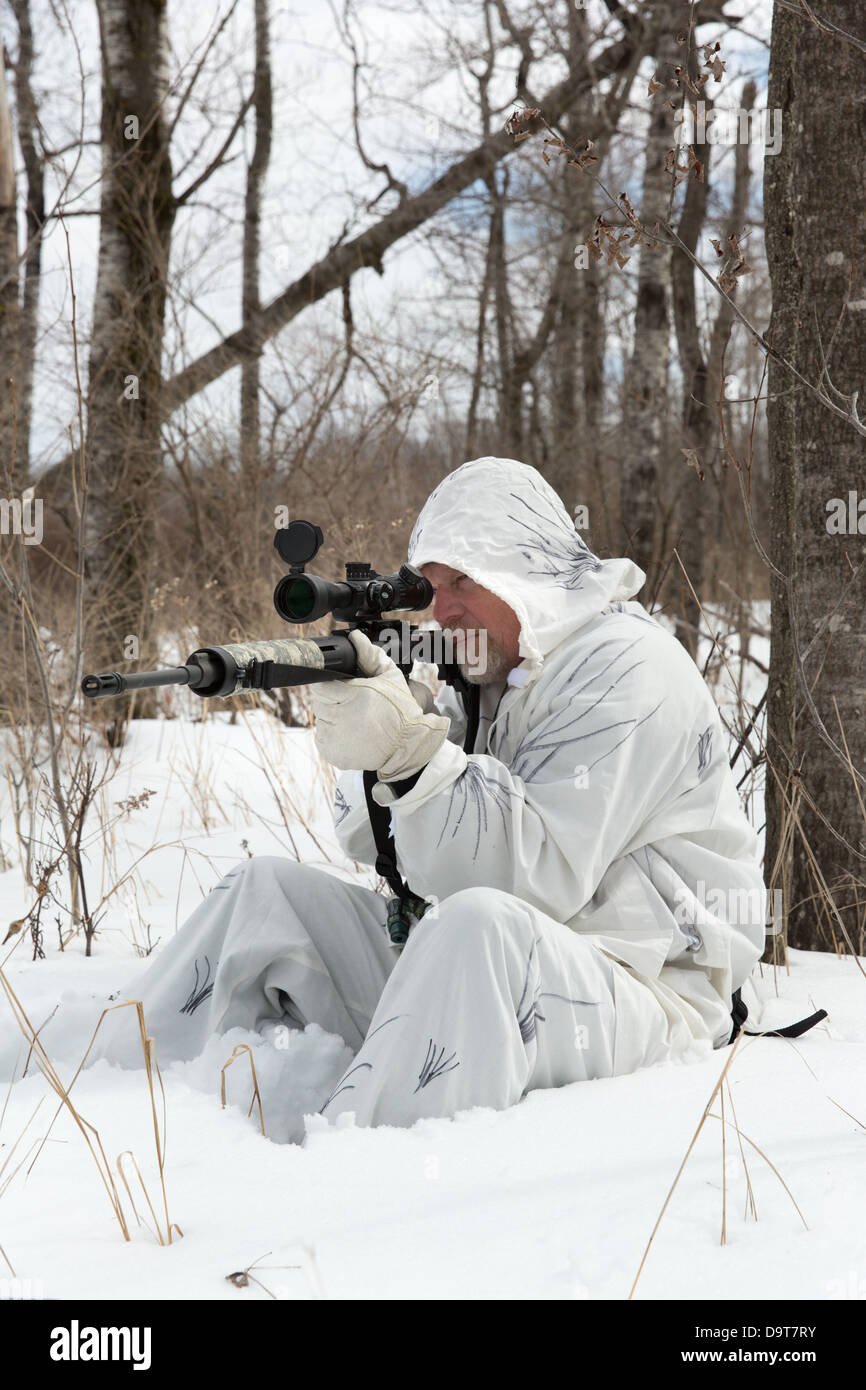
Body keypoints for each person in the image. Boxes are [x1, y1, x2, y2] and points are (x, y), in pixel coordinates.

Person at [83, 456, 767, 1133]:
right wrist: (391, 731)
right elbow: (367, 841)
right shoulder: (492, 673)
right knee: (265, 897)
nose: (444, 609)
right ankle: (97, 1105)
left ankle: (348, 1193)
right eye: (432, 586)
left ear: (528, 574)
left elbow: (539, 879)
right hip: (499, 970)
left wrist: (414, 754)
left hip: (649, 988)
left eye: (465, 579)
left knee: (475, 927)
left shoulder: (625, 667)